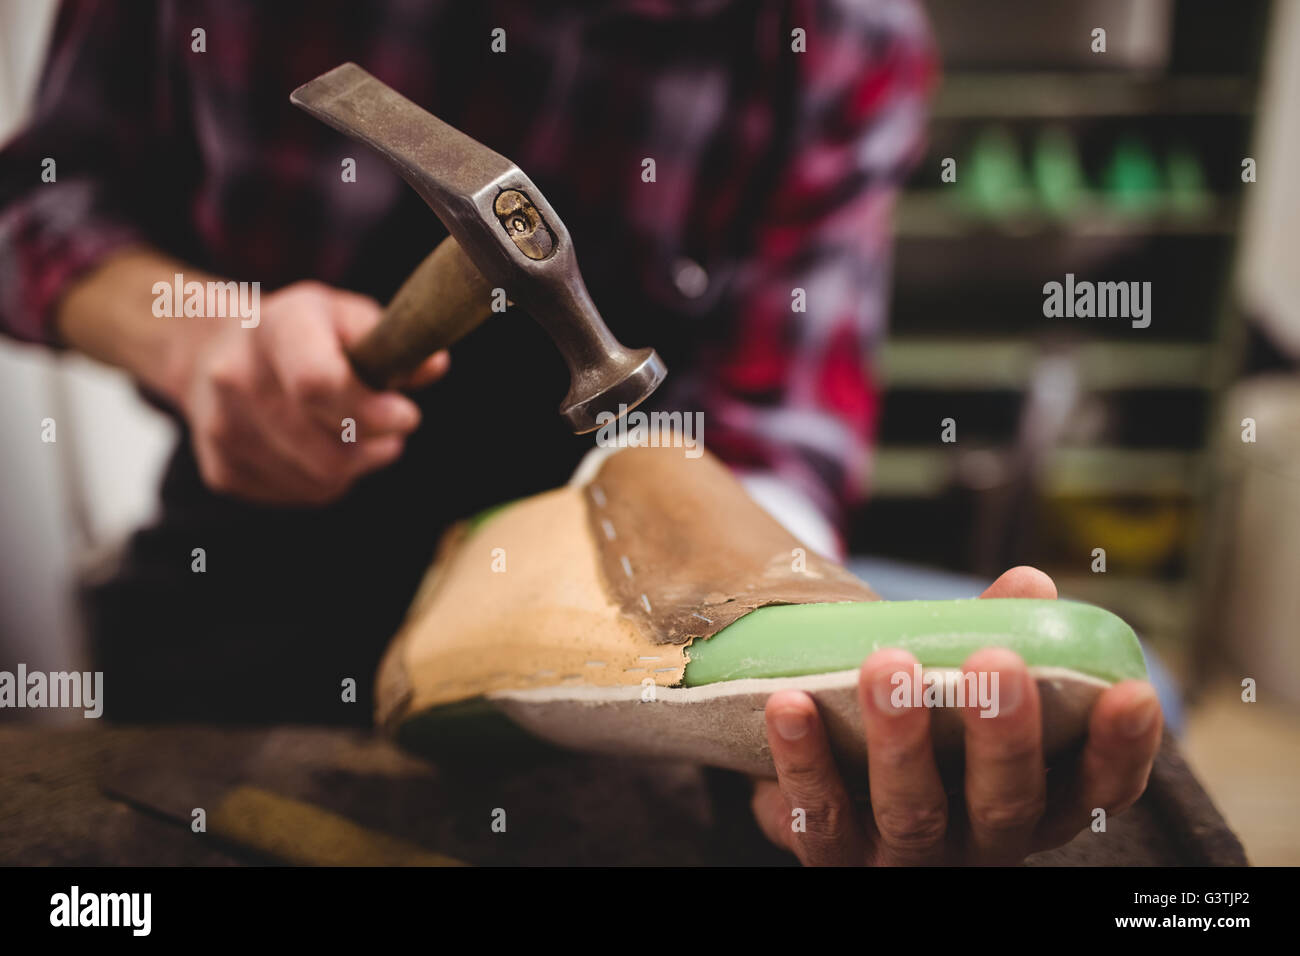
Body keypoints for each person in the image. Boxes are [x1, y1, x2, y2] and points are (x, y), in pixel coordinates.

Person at [0, 0, 1160, 864]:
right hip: (253, 557)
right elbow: (36, 203)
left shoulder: (838, 35)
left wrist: (771, 701)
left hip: (609, 577)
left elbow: (779, 421)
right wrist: (196, 341)